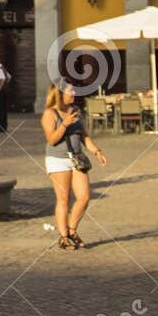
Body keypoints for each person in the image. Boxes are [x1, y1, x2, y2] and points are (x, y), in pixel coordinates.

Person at [41, 81, 108, 251]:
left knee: (84, 196)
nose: (74, 93)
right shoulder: (50, 114)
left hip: (77, 158)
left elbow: (84, 136)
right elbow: (52, 139)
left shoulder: (75, 111)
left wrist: (97, 151)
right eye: (71, 91)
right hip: (57, 159)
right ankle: (63, 237)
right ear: (60, 94)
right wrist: (65, 124)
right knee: (63, 200)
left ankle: (72, 230)